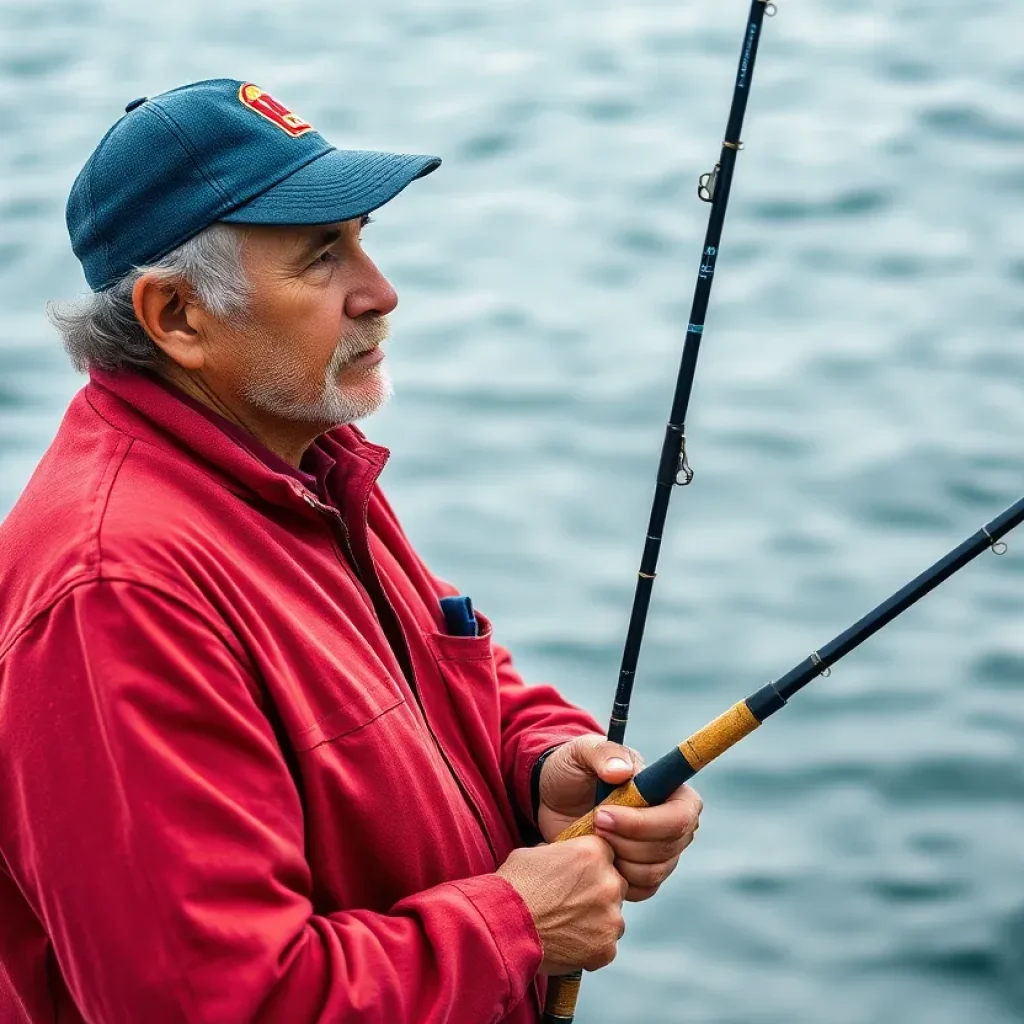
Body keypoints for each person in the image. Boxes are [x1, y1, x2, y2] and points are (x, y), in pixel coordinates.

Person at [0, 79, 702, 1023]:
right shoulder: (116, 590)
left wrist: (543, 764)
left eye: (363, 239)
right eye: (323, 257)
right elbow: (210, 1003)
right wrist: (516, 925)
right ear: (176, 319)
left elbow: (453, 666)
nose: (379, 291)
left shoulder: (301, 457)